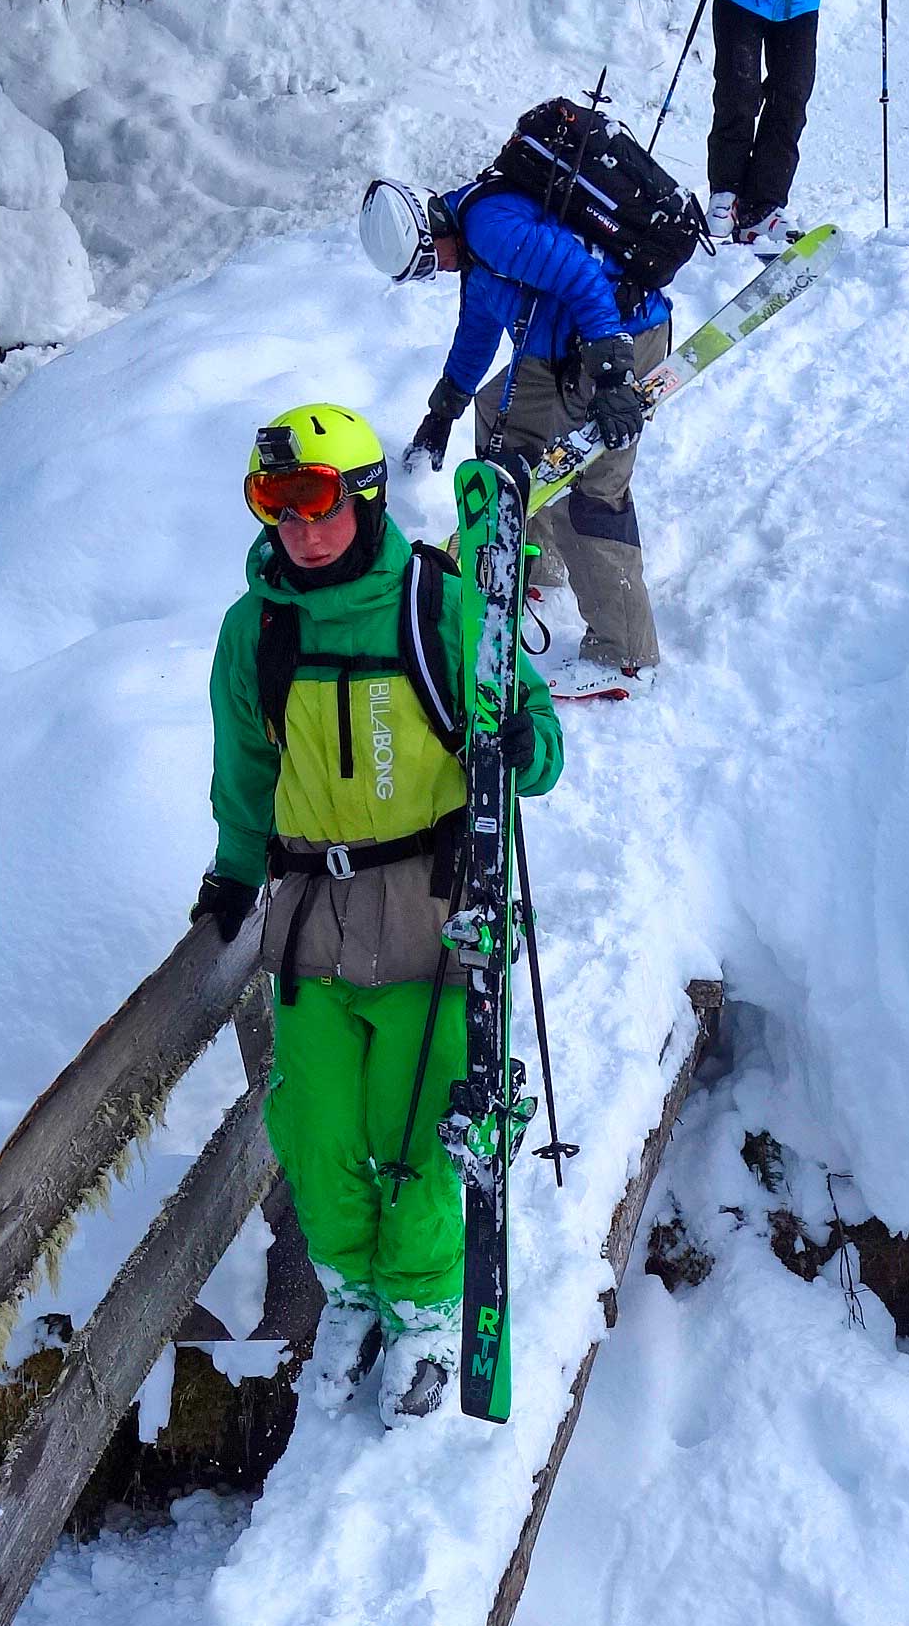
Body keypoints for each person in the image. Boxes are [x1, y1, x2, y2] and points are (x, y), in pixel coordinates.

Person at [188, 402, 564, 1418]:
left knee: (425, 1130)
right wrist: (232, 871)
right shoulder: (255, 627)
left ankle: (429, 1307)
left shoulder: (438, 605)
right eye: (278, 507)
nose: (301, 532)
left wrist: (526, 743)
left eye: (318, 506)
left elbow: (534, 738)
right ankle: (354, 1288)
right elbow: (244, 767)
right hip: (309, 919)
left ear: (362, 498)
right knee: (313, 1128)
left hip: (433, 916)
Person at [359, 173, 673, 687]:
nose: (436, 270)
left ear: (432, 224)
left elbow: (583, 278)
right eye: (422, 272)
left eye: (429, 259)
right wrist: (444, 410)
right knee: (497, 418)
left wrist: (615, 378)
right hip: (554, 350)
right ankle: (533, 561)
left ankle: (623, 652)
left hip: (617, 336)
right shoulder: (476, 253)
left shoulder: (490, 226)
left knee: (590, 489)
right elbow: (478, 331)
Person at [706, 0, 821, 252]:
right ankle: (726, 194)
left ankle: (762, 210)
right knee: (737, 95)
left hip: (801, 4)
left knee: (790, 102)